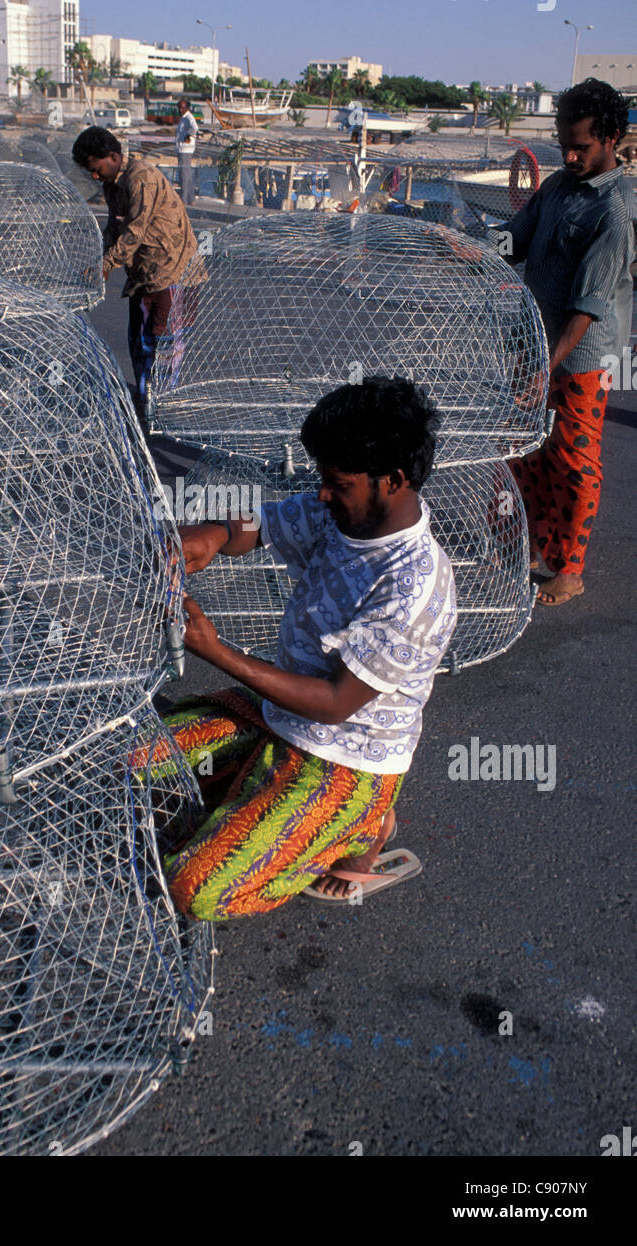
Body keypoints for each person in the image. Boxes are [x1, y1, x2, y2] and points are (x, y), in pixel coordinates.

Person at [155, 377, 457, 920]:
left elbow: (335, 701)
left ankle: (364, 824)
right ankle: (248, 790)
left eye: (336, 482)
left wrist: (215, 651)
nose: (321, 493)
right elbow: (262, 525)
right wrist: (215, 536)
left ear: (392, 480)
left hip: (340, 759)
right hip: (275, 719)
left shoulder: (415, 585)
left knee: (192, 889)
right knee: (134, 764)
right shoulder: (340, 511)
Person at [505, 78, 636, 607]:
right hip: (536, 342)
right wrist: (477, 248)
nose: (570, 154)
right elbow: (516, 236)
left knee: (574, 457)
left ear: (610, 138)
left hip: (581, 355)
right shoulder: (558, 185)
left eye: (581, 145)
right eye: (563, 144)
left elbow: (589, 306)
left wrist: (547, 364)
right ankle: (529, 546)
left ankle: (569, 568)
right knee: (525, 452)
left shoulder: (615, 214)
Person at [72, 126, 201, 409]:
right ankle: (146, 399)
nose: (94, 176)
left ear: (113, 156)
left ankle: (162, 405)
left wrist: (106, 264)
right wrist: (98, 260)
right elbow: (113, 229)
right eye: (89, 171)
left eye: (96, 168)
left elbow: (134, 232)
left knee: (164, 343)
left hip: (173, 269)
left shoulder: (141, 178)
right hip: (144, 273)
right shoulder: (112, 183)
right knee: (139, 342)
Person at [175, 97, 198, 205]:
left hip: (186, 150)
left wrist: (188, 135)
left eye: (183, 108)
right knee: (186, 174)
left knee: (184, 174)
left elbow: (195, 127)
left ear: (187, 108)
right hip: (181, 149)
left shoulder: (189, 117)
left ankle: (184, 199)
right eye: (179, 108)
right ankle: (190, 198)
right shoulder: (183, 118)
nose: (180, 110)